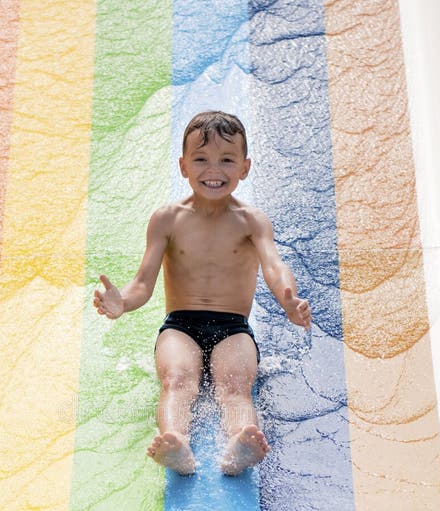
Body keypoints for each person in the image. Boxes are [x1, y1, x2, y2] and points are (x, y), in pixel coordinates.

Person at [93, 111, 311, 476]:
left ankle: (241, 443)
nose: (214, 170)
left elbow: (273, 265)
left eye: (227, 160)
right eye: (201, 159)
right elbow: (143, 282)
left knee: (235, 385)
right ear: (183, 166)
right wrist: (123, 303)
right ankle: (175, 442)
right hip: (180, 325)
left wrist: (288, 298)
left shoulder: (252, 220)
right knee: (177, 379)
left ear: (245, 167)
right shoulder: (167, 219)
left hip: (233, 327)